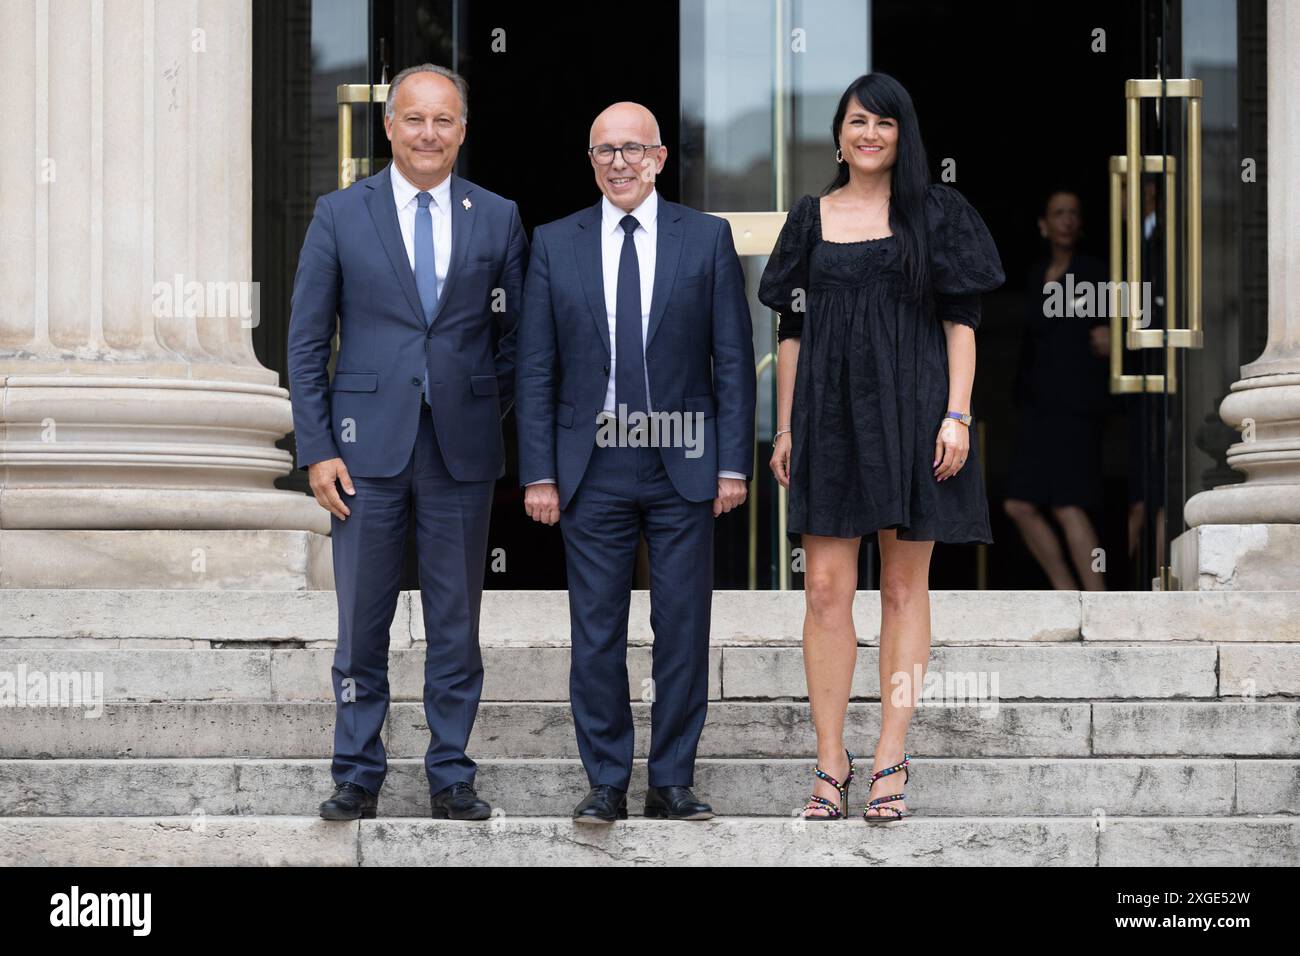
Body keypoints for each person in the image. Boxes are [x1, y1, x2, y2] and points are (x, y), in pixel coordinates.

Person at [759, 73, 1004, 822]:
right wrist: (789, 426)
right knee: (827, 591)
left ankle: (890, 756)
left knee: (903, 589)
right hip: (829, 419)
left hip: (915, 414)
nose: (869, 134)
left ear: (904, 135)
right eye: (856, 121)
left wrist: (956, 415)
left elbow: (961, 320)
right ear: (838, 134)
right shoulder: (811, 218)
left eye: (884, 123)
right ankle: (830, 761)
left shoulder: (938, 213)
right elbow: (792, 332)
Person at [287, 63, 528, 822]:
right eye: (414, 119)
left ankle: (451, 772)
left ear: (463, 131)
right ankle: (357, 771)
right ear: (388, 126)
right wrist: (319, 447)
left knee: (457, 627)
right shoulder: (338, 214)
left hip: (459, 453)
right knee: (361, 625)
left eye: (444, 120)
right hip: (362, 454)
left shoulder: (497, 217)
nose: (429, 133)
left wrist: (476, 408)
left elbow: (518, 341)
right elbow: (305, 343)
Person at [515, 102, 756, 824]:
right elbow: (535, 368)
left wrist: (732, 465)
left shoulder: (706, 238)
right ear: (591, 162)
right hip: (592, 463)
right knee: (596, 632)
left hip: (683, 458)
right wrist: (538, 472)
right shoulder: (555, 243)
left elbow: (735, 362)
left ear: (660, 156)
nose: (619, 162)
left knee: (682, 626)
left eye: (633, 149)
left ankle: (672, 780)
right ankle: (607, 781)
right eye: (604, 151)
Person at [1003, 190, 1111, 590]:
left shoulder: (1095, 271)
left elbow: (1134, 323)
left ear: (1080, 225)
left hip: (1078, 406)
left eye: (1074, 213)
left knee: (1069, 504)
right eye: (1058, 213)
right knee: (1018, 503)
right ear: (1043, 225)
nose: (1066, 220)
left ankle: (1098, 603)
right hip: (1038, 406)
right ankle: (1067, 593)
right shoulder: (1035, 274)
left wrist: (1116, 337)